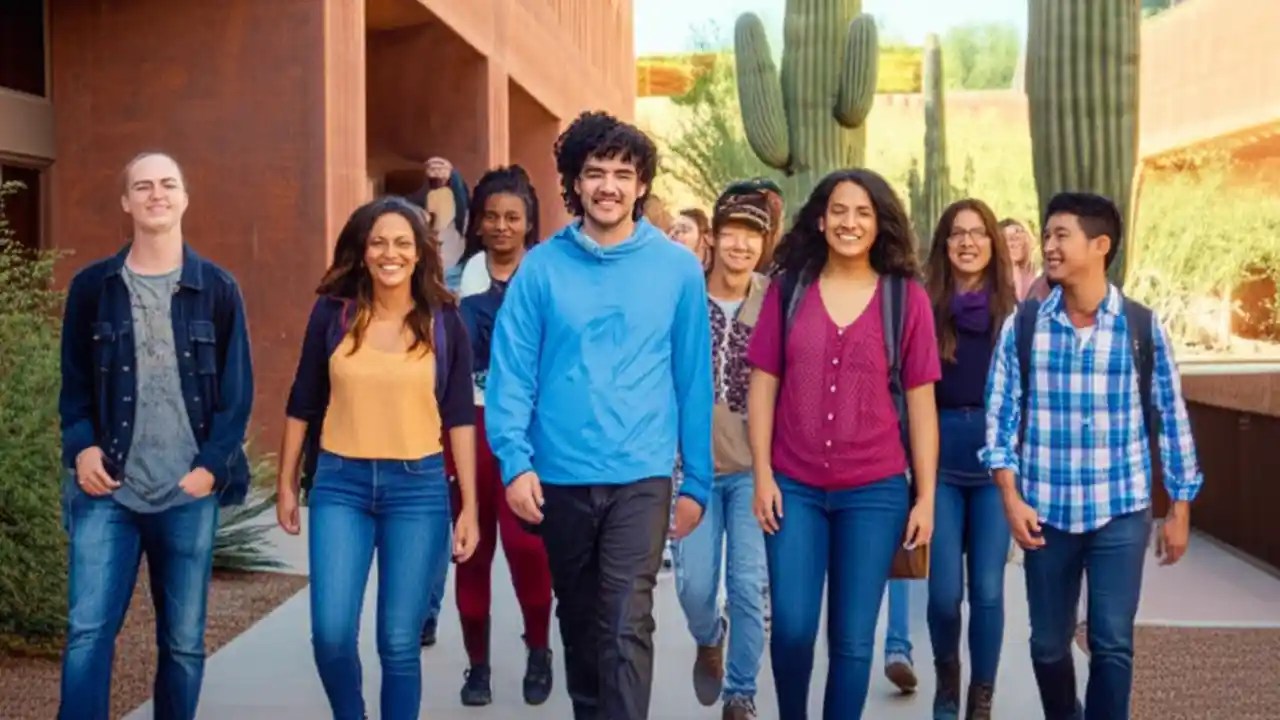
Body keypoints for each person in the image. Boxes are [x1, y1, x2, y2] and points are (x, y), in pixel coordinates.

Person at [486, 110, 714, 720]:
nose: (608, 185)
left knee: (625, 624)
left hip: (641, 475)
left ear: (641, 185)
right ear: (574, 183)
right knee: (582, 621)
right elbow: (511, 375)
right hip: (560, 477)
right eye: (594, 173)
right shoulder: (541, 269)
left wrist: (697, 480)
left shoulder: (676, 269)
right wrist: (514, 462)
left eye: (622, 172)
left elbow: (693, 379)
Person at [982, 192, 1203, 719]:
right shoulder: (1025, 327)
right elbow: (1000, 419)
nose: (1049, 246)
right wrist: (1010, 497)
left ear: (1099, 245)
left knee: (1111, 644)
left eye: (1062, 235)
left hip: (1120, 512)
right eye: (1048, 235)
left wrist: (1180, 507)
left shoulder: (1141, 328)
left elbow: (1171, 416)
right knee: (1048, 647)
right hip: (1046, 515)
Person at [57, 151, 254, 720]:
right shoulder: (94, 287)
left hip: (186, 494)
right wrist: (82, 445)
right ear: (126, 202)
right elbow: (73, 387)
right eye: (142, 187)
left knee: (185, 645)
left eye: (168, 184)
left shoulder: (217, 289)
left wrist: (211, 466)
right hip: (107, 492)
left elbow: (237, 394)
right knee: (88, 633)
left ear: (185, 198)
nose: (156, 194)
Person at [275, 196, 480, 720]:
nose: (390, 253)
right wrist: (286, 483)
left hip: (418, 490)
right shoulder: (333, 313)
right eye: (379, 242)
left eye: (403, 243)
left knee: (397, 641)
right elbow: (303, 400)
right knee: (332, 634)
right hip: (340, 485)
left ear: (420, 254)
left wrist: (470, 509)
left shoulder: (444, 321)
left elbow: (459, 416)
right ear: (363, 251)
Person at [747, 168, 941, 720]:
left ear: (880, 224)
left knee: (854, 641)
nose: (849, 222)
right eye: (838, 210)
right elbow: (764, 384)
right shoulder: (790, 290)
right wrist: (762, 474)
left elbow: (922, 405)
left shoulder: (906, 299)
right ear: (820, 217)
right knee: (790, 627)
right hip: (794, 488)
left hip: (874, 493)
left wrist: (924, 497)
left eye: (862, 212)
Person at [443, 165, 554, 707]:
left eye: (513, 217)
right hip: (469, 424)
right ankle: (478, 667)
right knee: (474, 547)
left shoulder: (548, 277)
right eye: (492, 217)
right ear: (478, 224)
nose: (502, 226)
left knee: (527, 545)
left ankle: (539, 649)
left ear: (529, 223)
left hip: (532, 428)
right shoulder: (451, 285)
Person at [673, 185, 776, 720]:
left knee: (747, 585)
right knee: (693, 586)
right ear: (712, 238)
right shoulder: (685, 294)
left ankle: (741, 694)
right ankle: (709, 636)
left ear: (764, 244)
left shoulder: (775, 300)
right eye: (732, 232)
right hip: (691, 468)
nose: (741, 245)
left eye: (752, 236)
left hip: (753, 471)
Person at [924, 199, 1017, 719]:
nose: (967, 242)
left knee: (986, 589)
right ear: (944, 243)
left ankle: (982, 695)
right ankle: (947, 676)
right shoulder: (922, 305)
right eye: (957, 233)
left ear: (992, 242)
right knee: (942, 595)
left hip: (994, 461)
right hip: (937, 454)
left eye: (978, 232)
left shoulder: (1013, 312)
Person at [407, 156, 470, 272]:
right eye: (434, 170)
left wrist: (453, 175)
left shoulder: (456, 198)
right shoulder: (421, 199)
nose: (437, 173)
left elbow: (462, 203)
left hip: (453, 254)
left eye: (441, 170)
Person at [999, 218, 1039, 301]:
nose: (1013, 244)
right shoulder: (995, 279)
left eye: (1017, 238)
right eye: (1008, 239)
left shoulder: (1039, 276)